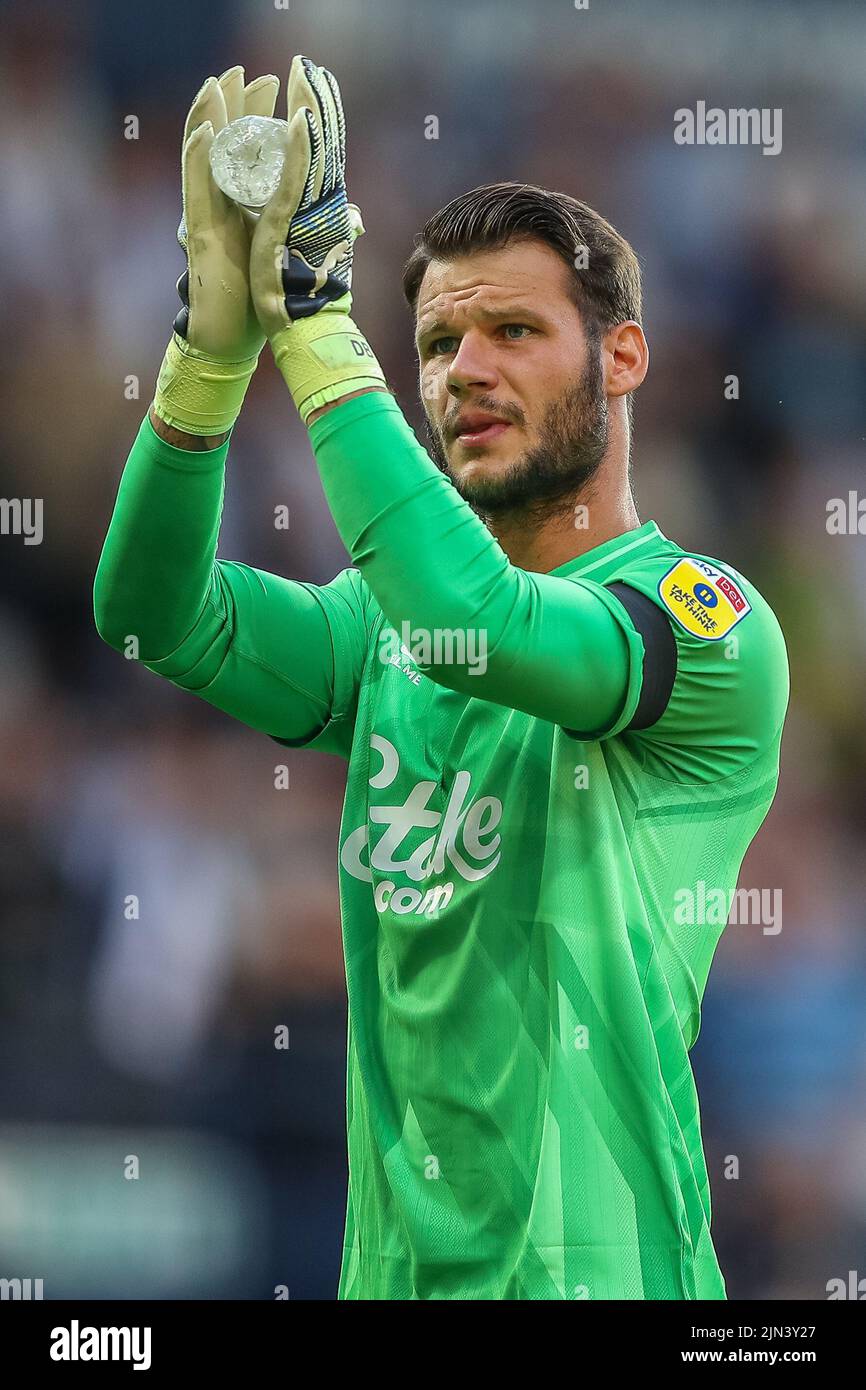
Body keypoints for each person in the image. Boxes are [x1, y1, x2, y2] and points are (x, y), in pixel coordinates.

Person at [94, 57, 789, 1300]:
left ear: (621, 357)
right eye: (434, 342)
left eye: (513, 331)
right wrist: (210, 352)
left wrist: (312, 323)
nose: (462, 370)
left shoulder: (708, 622)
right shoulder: (381, 626)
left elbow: (482, 614)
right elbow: (149, 615)